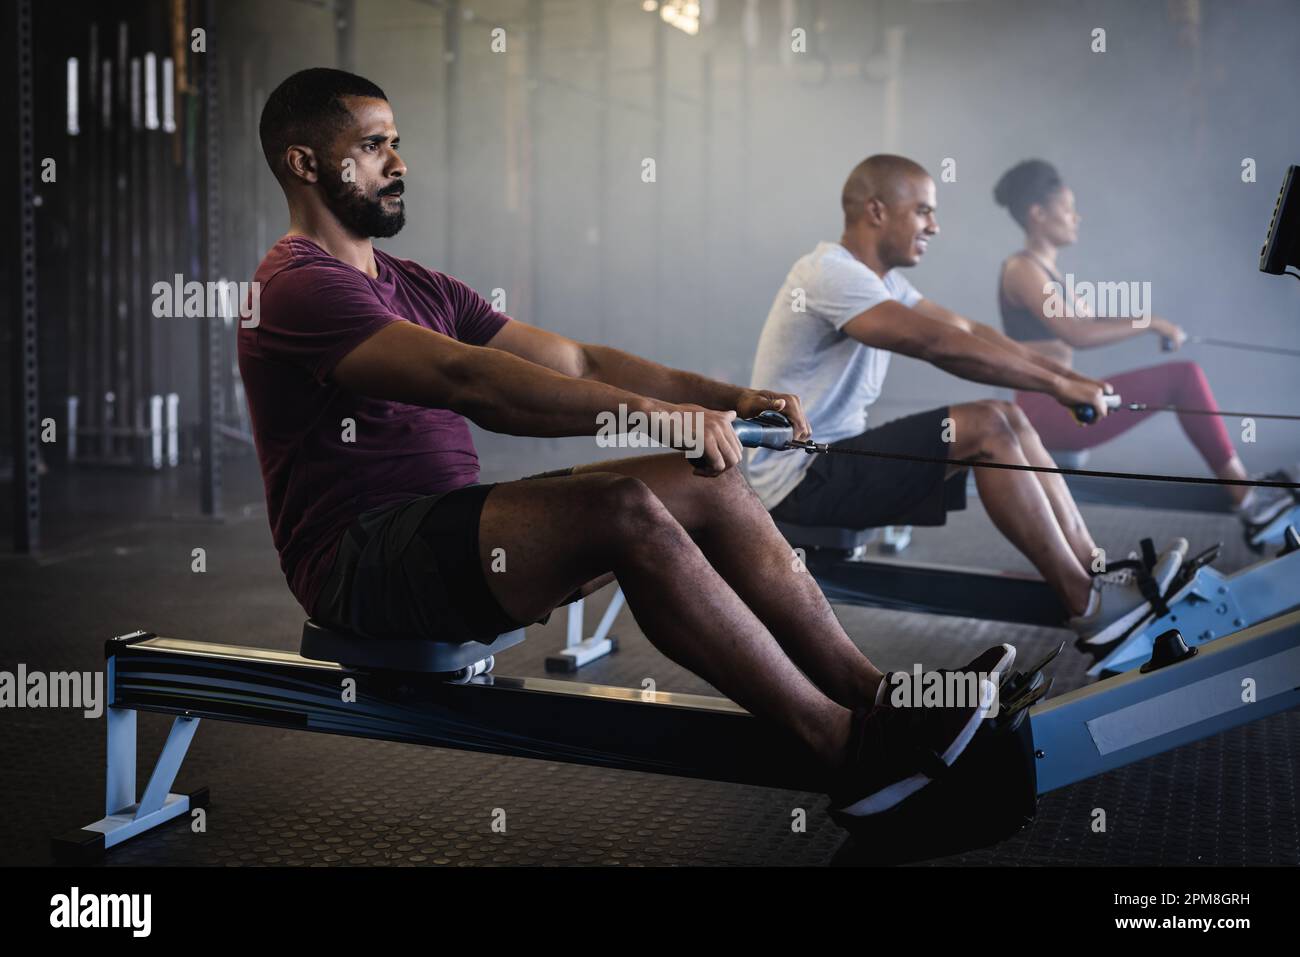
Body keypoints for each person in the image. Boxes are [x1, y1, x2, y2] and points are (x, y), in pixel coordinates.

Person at [238, 68, 1005, 822]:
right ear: (304, 164)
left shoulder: (419, 285)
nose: (398, 162)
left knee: (706, 481)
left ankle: (874, 696)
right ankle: (847, 750)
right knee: (622, 507)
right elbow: (471, 380)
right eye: (373, 146)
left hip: (445, 530)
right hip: (361, 561)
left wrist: (721, 397)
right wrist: (651, 415)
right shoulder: (294, 284)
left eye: (396, 142)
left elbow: (579, 361)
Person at [747, 154, 1186, 647]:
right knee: (986, 427)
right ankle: (1088, 605)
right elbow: (937, 345)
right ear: (876, 212)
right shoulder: (829, 273)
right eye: (922, 211)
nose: (934, 226)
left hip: (833, 461)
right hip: (799, 481)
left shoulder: (882, 280)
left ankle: (1097, 572)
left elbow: (968, 329)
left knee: (1007, 415)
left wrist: (1064, 375)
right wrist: (1059, 387)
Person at [993, 158, 1295, 528]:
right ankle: (1248, 501)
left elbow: (1088, 321)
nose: (1077, 217)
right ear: (1037, 213)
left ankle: (1246, 493)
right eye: (1068, 210)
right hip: (1046, 413)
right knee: (1182, 379)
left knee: (1182, 378)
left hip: (1062, 402)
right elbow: (1077, 333)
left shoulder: (1048, 271)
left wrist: (1157, 325)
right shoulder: (1022, 270)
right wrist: (1151, 322)